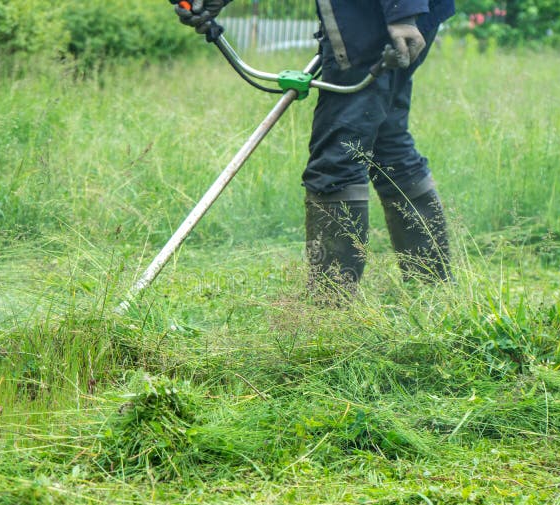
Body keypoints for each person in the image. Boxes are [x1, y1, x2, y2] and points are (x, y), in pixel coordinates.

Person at [176, 0, 455, 299]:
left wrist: (402, 12)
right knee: (387, 144)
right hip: (390, 16)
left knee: (339, 157)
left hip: (374, 19)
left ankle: (330, 309)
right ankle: (433, 289)